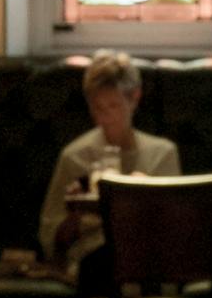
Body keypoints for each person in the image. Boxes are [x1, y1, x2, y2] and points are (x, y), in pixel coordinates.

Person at [37, 56, 181, 276]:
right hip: (91, 261)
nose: (105, 117)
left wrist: (146, 196)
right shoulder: (75, 156)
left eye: (114, 105)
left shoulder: (162, 154)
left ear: (134, 98)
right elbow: (50, 236)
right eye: (97, 107)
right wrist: (74, 216)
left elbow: (176, 229)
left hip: (148, 258)